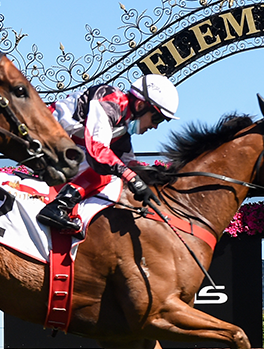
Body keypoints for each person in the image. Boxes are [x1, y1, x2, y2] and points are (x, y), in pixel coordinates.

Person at [36, 74, 179, 234]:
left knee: (116, 169)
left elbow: (128, 163)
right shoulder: (110, 101)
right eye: (157, 119)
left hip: (60, 146)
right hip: (41, 139)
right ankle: (58, 206)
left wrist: (155, 175)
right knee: (108, 172)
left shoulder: (122, 126)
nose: (155, 126)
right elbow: (98, 150)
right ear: (140, 105)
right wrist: (132, 178)